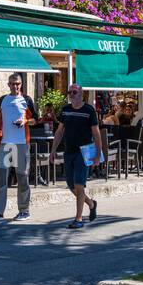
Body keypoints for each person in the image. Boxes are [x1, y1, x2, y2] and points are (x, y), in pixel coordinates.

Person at [51, 83, 104, 230]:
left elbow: (96, 133)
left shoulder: (89, 110)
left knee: (79, 185)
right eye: (70, 93)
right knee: (71, 185)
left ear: (81, 94)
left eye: (74, 92)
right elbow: (60, 131)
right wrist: (53, 150)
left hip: (84, 152)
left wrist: (98, 154)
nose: (72, 95)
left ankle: (78, 219)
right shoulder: (66, 110)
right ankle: (91, 204)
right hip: (69, 152)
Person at [0, 74, 37, 222]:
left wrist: (25, 121)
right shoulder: (3, 100)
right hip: (5, 143)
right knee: (1, 178)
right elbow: (0, 121)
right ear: (8, 85)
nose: (15, 86)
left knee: (22, 177)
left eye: (18, 84)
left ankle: (24, 210)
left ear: (21, 84)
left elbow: (36, 119)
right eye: (12, 84)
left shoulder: (26, 100)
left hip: (22, 143)